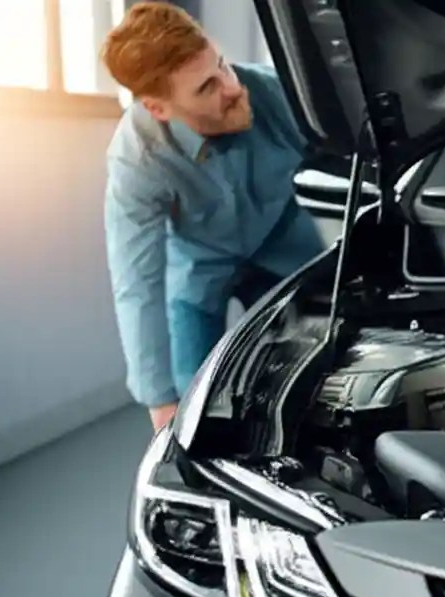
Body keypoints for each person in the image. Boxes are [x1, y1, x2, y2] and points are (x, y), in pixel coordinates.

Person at [101, 2, 325, 431]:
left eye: (222, 64)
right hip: (201, 266)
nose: (231, 87)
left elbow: (358, 163)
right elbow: (135, 281)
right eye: (206, 87)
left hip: (285, 245)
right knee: (188, 411)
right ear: (159, 108)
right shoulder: (137, 161)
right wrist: (159, 397)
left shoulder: (276, 93)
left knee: (317, 376)